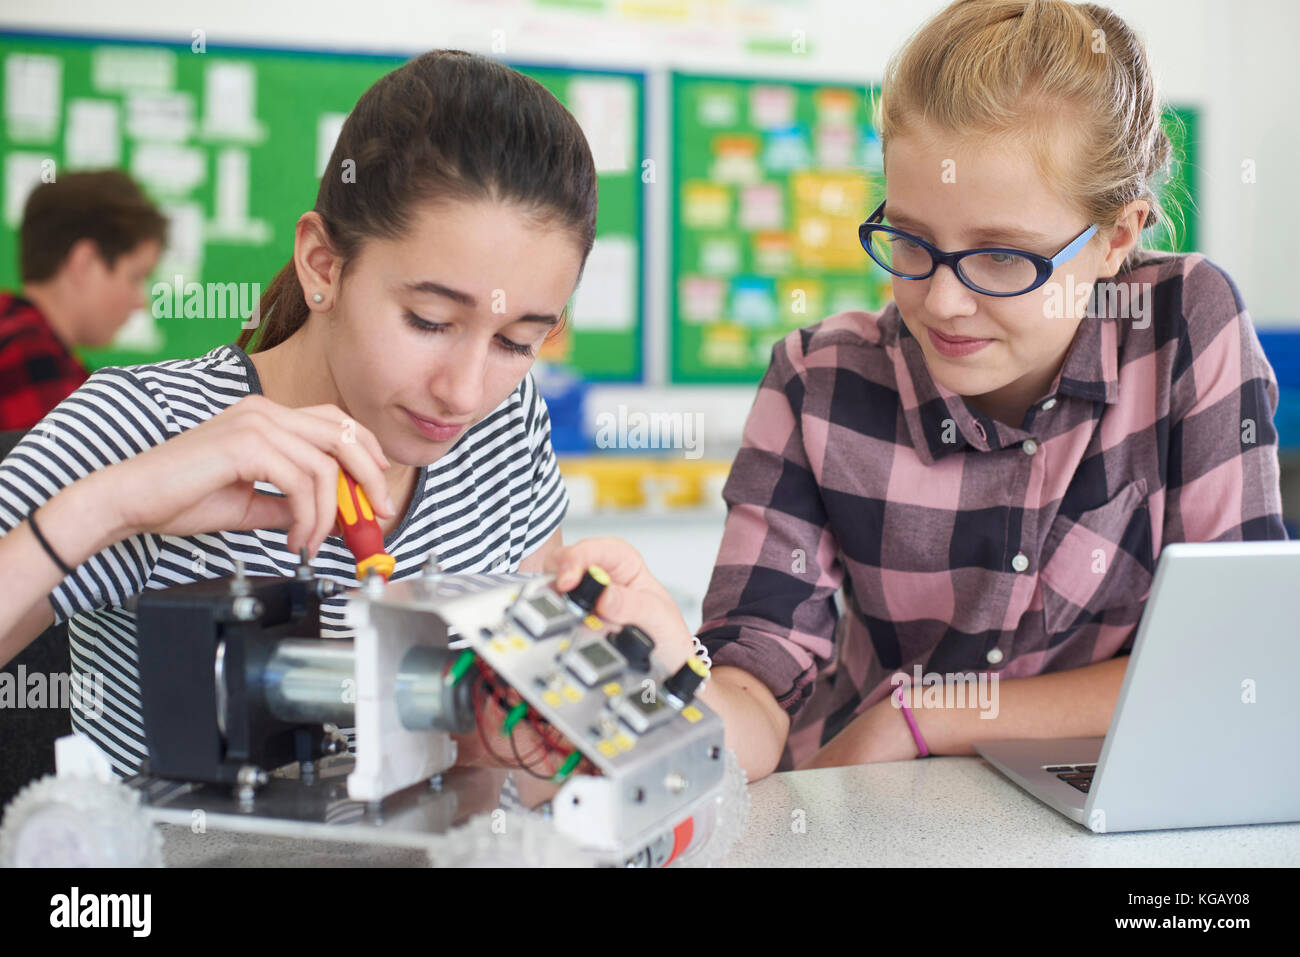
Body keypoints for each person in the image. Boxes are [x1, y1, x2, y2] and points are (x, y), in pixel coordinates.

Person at [549, 0, 1287, 782]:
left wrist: (920, 716)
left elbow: (1235, 668)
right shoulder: (816, 381)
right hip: (880, 816)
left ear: (1118, 237)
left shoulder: (1182, 324)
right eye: (909, 240)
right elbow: (755, 695)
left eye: (1003, 257)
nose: (942, 302)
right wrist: (674, 667)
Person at [0, 50, 596, 778]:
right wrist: (113, 504)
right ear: (323, 264)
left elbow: (526, 733)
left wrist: (624, 666)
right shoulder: (146, 424)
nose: (466, 394)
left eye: (516, 340)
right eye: (429, 320)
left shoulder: (506, 425)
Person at [0, 170, 164, 430]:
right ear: (84, 263)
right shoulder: (33, 360)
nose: (140, 302)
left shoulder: (17, 334)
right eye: (136, 277)